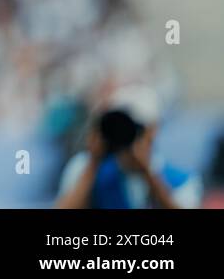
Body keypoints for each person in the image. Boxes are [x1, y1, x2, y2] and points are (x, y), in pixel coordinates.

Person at [55, 87, 201, 209]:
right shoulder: (84, 168)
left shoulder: (180, 180)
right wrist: (93, 164)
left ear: (153, 130)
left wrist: (148, 174)